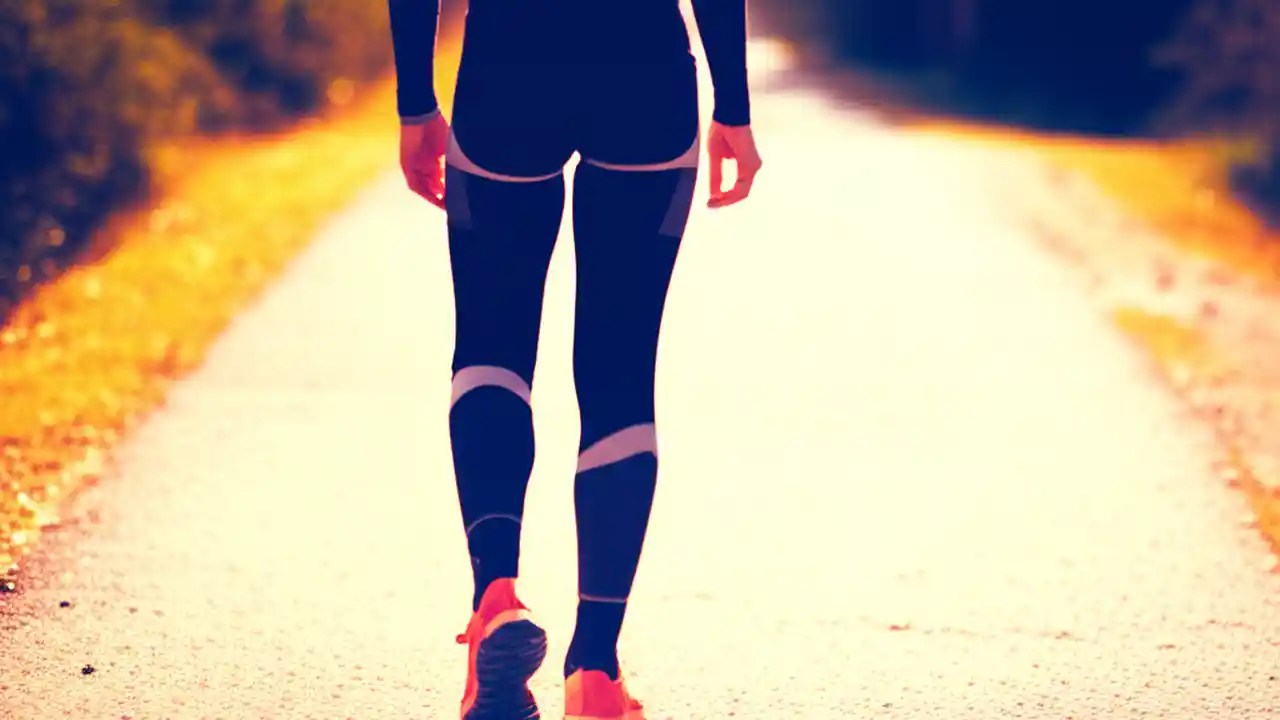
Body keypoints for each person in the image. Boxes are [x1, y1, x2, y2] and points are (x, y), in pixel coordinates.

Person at [388, 0, 762, 717]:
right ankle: (594, 668)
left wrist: (415, 102)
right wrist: (734, 109)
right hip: (645, 72)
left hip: (507, 68)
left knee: (491, 347)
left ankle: (496, 598)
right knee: (620, 373)